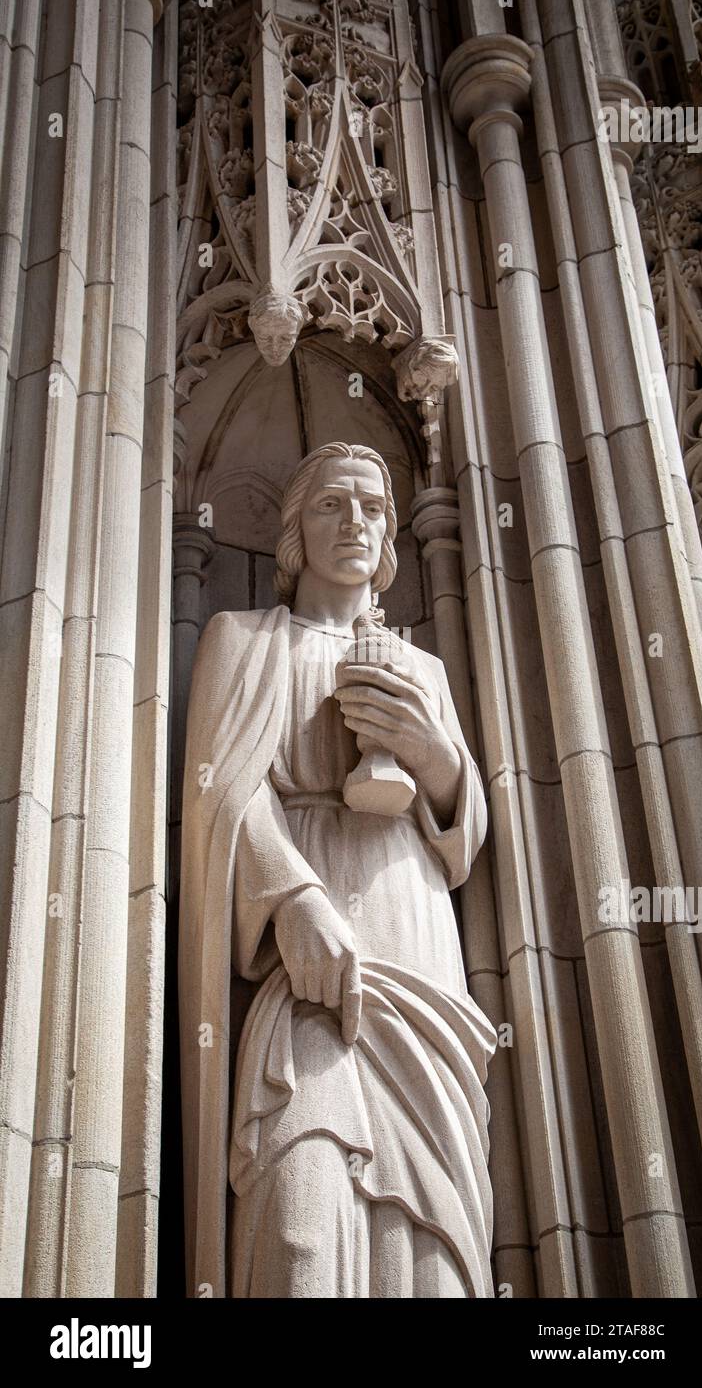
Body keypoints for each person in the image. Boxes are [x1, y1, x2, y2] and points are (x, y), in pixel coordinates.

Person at [179, 442, 496, 1298]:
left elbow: (464, 832)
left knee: (429, 1239)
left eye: (372, 508)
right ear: (293, 531)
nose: (354, 522)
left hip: (411, 928)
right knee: (300, 1209)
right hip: (310, 939)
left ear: (393, 533)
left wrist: (431, 755)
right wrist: (290, 898)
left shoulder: (421, 667)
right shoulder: (241, 641)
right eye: (330, 505)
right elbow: (221, 791)